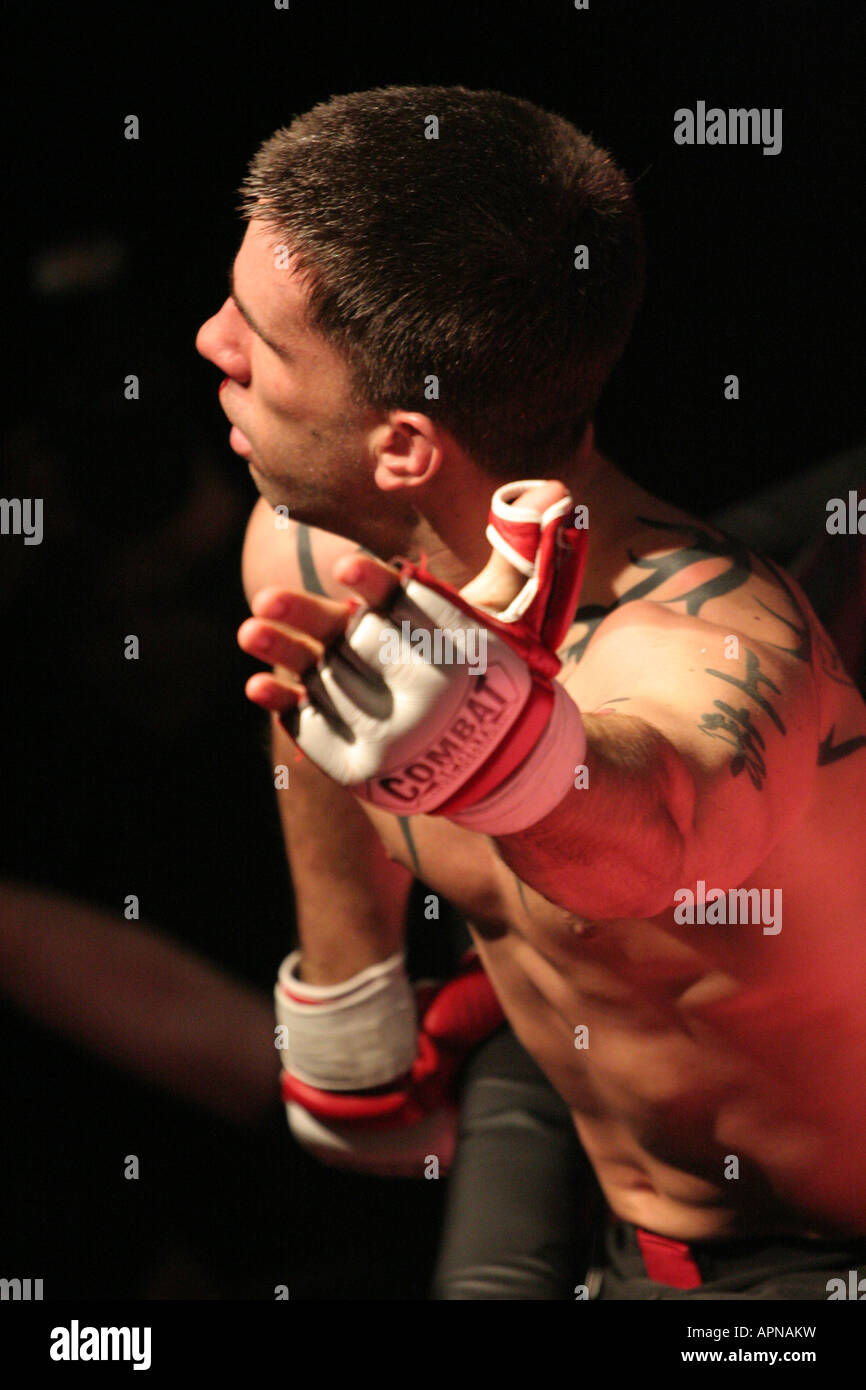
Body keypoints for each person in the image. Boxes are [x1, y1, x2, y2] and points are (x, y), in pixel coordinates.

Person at [195, 85, 866, 1298]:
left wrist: (516, 759)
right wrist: (352, 1032)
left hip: (820, 1253)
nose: (210, 342)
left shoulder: (718, 641)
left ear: (405, 445)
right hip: (579, 1127)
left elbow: (660, 830)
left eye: (258, 334)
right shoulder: (300, 546)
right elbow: (325, 736)